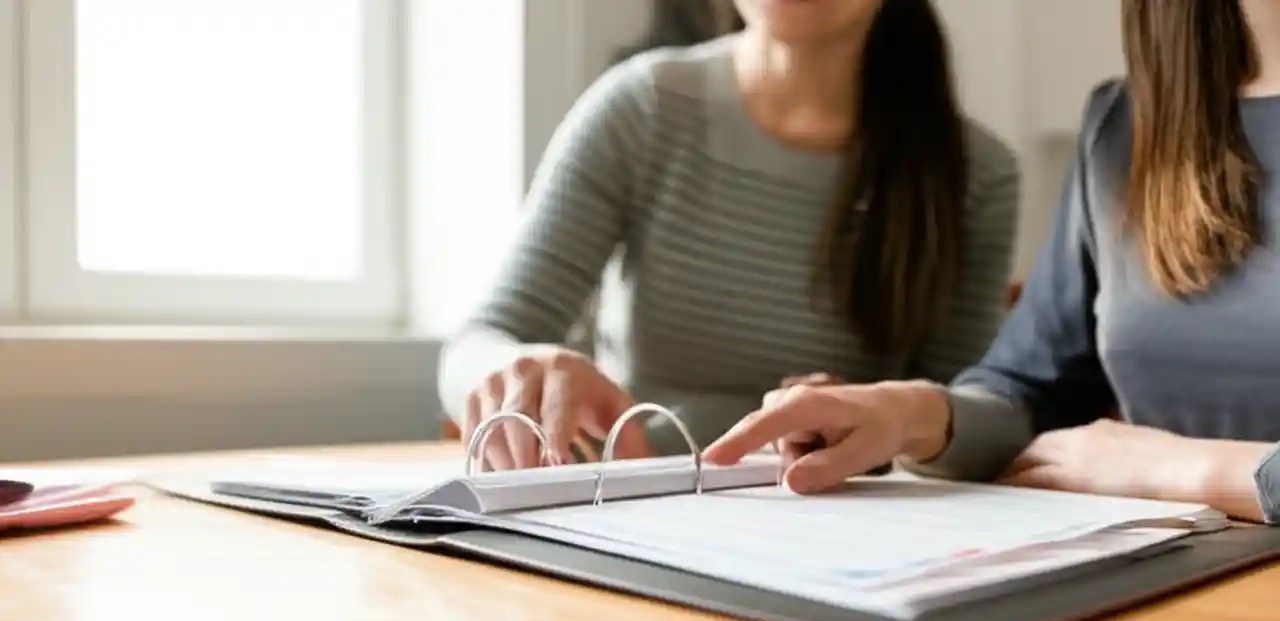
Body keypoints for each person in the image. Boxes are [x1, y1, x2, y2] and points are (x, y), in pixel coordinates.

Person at [704, 0, 1280, 525]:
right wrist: (913, 416)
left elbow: (1128, 462)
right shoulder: (1123, 125)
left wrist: (1187, 471)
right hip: (1180, 583)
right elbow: (1031, 389)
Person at [438, 0, 1020, 470]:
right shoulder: (642, 109)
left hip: (834, 522)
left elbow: (967, 417)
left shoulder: (977, 173)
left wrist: (878, 411)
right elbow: (482, 341)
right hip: (637, 504)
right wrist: (517, 367)